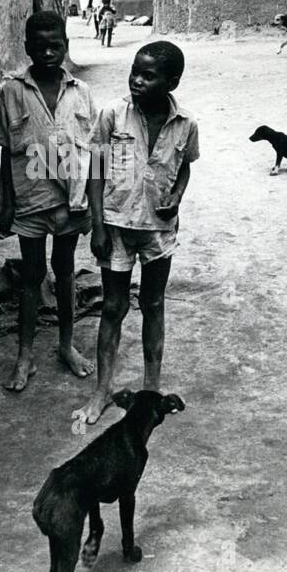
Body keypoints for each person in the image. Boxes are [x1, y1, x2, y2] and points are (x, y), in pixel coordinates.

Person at [77, 41, 198, 425]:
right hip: (115, 226)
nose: (137, 81)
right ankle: (101, 392)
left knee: (154, 304)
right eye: (135, 72)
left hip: (159, 230)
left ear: (171, 82)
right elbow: (95, 169)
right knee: (113, 307)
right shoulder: (113, 114)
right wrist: (96, 224)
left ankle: (150, 389)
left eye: (148, 76)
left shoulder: (186, 124)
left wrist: (176, 197)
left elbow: (185, 168)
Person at [0, 11, 96, 391]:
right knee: (32, 276)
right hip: (30, 201)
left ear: (66, 45)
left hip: (71, 203)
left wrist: (96, 211)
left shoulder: (81, 93)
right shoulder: (12, 92)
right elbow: (5, 154)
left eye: (56, 45)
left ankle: (66, 345)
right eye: (40, 45)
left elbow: (93, 154)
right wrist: (5, 205)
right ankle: (25, 354)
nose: (49, 52)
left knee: (64, 271)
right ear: (27, 47)